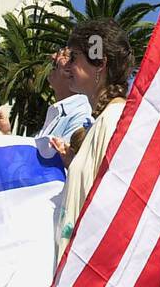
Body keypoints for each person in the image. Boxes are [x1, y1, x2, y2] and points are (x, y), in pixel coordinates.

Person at [53, 20, 134, 260]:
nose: (66, 65)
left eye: (74, 56)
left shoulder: (114, 121)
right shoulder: (105, 122)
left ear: (100, 62)